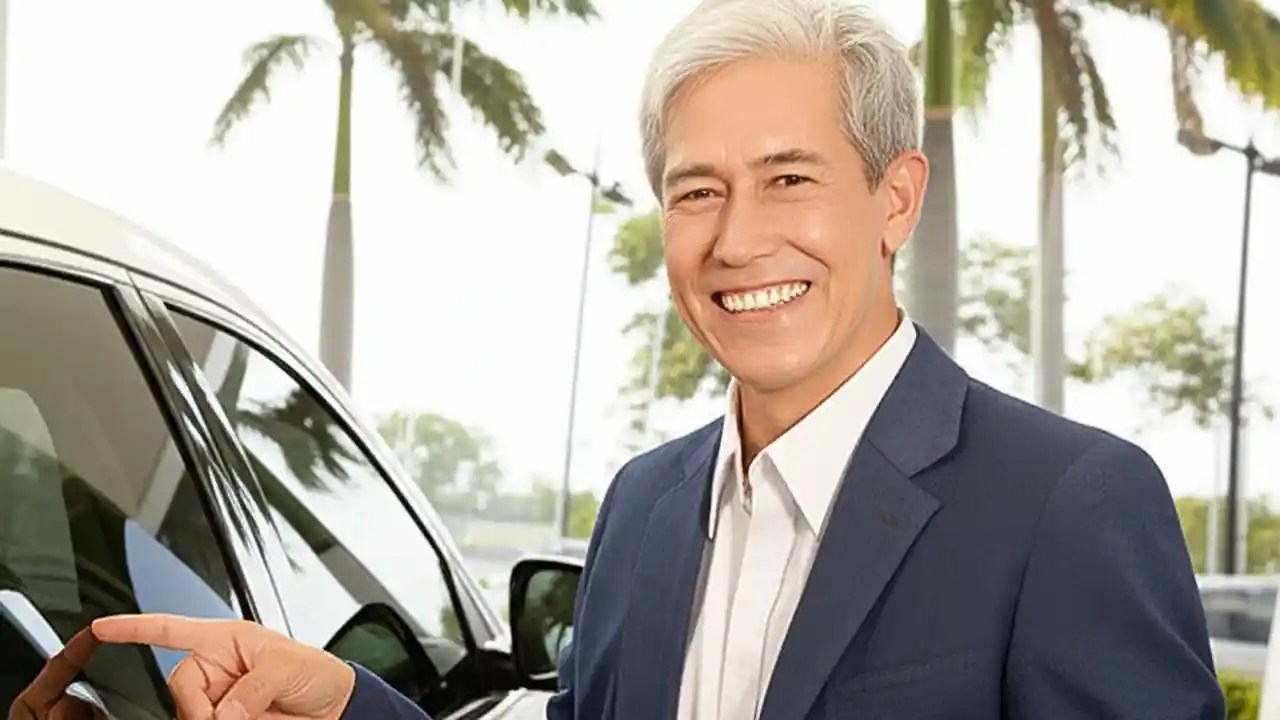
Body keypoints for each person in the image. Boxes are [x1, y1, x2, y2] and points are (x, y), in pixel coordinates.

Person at [90, 0, 1223, 718]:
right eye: (696, 192)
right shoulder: (642, 503)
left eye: (788, 179)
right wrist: (340, 701)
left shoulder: (1065, 503)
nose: (736, 240)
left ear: (894, 199)